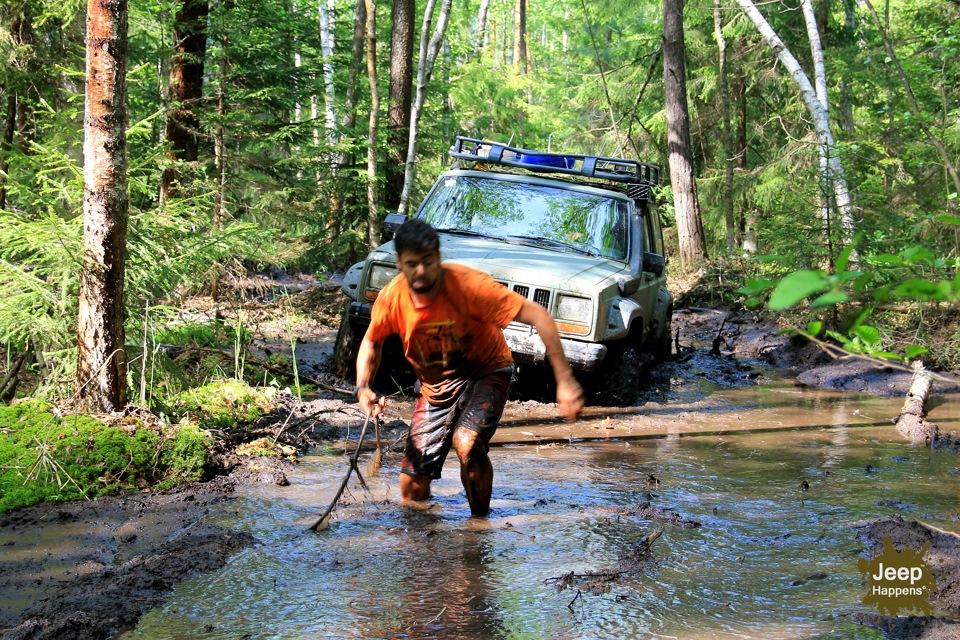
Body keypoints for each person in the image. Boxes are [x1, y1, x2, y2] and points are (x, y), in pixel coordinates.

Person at [355, 218, 584, 517]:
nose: (421, 272)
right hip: (435, 388)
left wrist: (565, 382)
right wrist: (363, 386)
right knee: (411, 489)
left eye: (428, 261)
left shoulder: (470, 286)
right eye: (413, 264)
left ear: (438, 257)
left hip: (486, 370)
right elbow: (372, 342)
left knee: (467, 441)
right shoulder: (392, 298)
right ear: (399, 263)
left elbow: (540, 316)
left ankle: (479, 527)